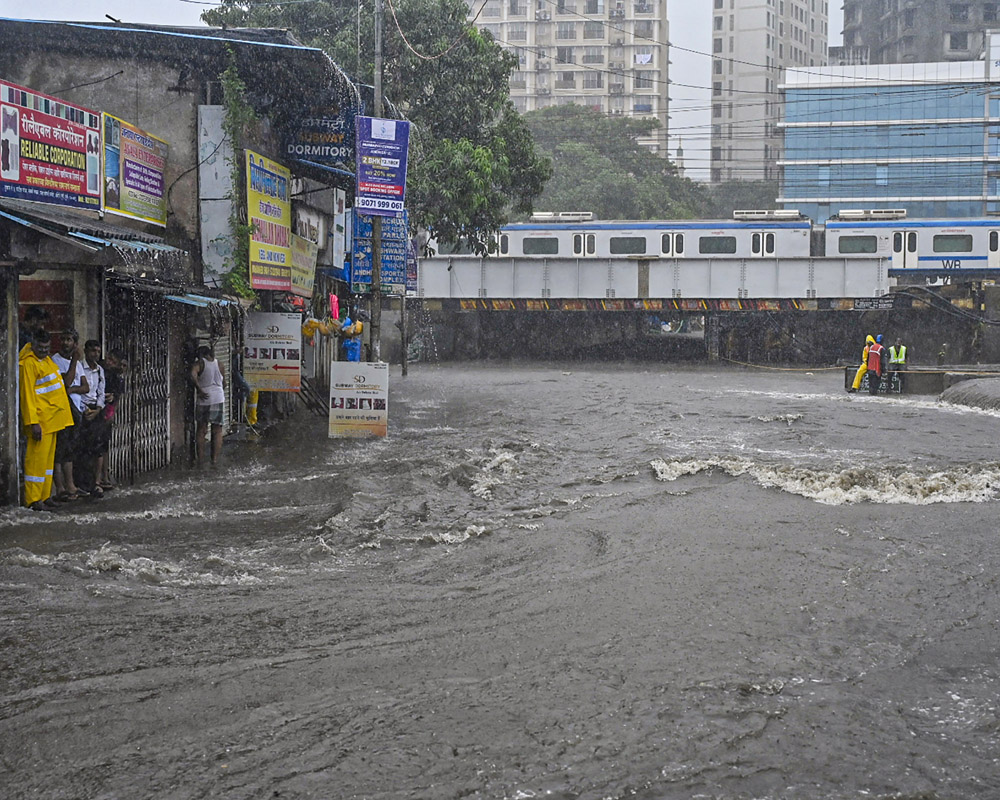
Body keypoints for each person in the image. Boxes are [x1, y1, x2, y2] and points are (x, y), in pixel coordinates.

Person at [19, 329, 74, 510]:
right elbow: (27, 396)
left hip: (52, 420)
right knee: (36, 462)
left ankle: (45, 496)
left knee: (47, 463)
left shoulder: (46, 360)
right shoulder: (28, 364)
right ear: (33, 344)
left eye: (47, 347)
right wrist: (33, 423)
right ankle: (33, 500)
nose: (44, 350)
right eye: (41, 347)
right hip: (41, 422)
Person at [50, 329, 87, 501]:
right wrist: (74, 360)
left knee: (70, 450)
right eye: (63, 339)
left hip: (76, 410)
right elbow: (66, 382)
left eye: (69, 340)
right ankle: (60, 488)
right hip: (62, 410)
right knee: (60, 450)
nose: (65, 343)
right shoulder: (55, 361)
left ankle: (71, 485)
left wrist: (73, 390)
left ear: (75, 343)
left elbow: (85, 387)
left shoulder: (77, 363)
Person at [77, 340, 107, 498]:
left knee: (98, 447)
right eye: (92, 351)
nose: (95, 354)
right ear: (85, 351)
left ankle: (97, 482)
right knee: (82, 448)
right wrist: (84, 409)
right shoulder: (79, 367)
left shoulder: (100, 370)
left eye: (98, 351)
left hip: (96, 410)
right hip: (82, 408)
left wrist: (98, 409)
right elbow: (76, 390)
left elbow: (101, 392)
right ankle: (82, 484)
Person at [191, 344, 225, 466]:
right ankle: (214, 460)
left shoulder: (200, 363)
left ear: (201, 355)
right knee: (217, 430)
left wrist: (199, 389)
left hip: (204, 399)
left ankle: (200, 459)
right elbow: (224, 383)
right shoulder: (220, 364)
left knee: (201, 430)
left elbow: (192, 374)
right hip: (218, 398)